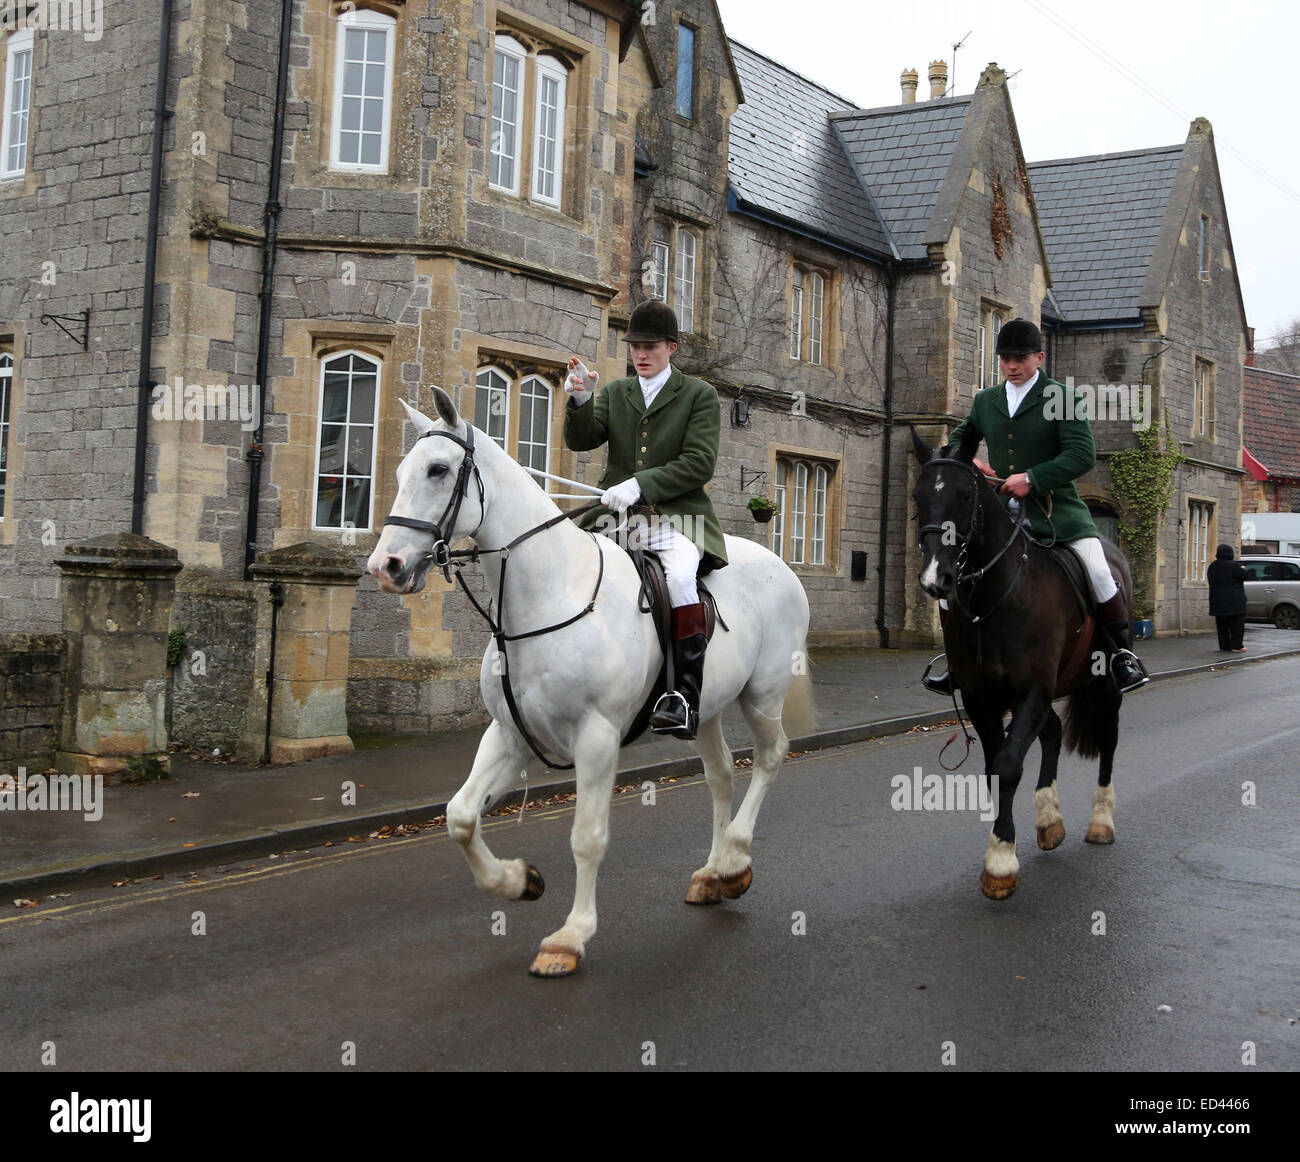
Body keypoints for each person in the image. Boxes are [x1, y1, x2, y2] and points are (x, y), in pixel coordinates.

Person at [924, 317, 1150, 695]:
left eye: (1020, 358)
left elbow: (1082, 454)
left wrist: (1031, 479)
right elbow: (958, 442)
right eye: (1005, 359)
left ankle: (1121, 655)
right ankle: (957, 661)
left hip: (1056, 512)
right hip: (997, 513)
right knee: (950, 572)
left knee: (1098, 571)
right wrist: (969, 461)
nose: (1012, 366)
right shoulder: (986, 401)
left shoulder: (1060, 397)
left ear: (1039, 357)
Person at [563, 300, 727, 740]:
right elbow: (582, 440)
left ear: (671, 348)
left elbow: (699, 463)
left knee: (678, 579)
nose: (640, 353)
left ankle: (683, 698)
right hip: (612, 516)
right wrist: (581, 398)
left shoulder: (699, 395)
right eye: (635, 345)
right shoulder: (617, 393)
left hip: (675, 518)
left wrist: (640, 485)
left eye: (650, 346)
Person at [1207, 543, 1247, 651]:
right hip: (1234, 601)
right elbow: (1244, 575)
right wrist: (1243, 568)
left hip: (1218, 601)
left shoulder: (1213, 566)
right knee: (1237, 625)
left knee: (1222, 626)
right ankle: (1237, 645)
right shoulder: (1234, 566)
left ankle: (1224, 646)